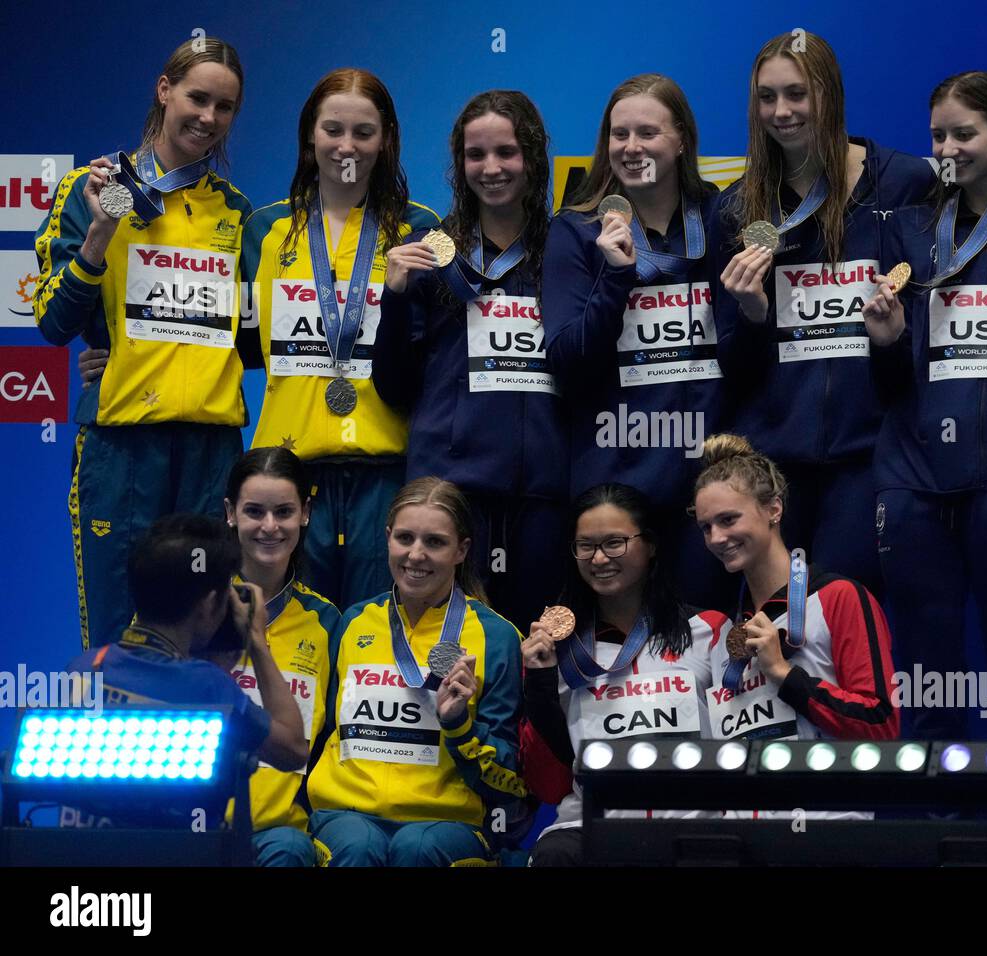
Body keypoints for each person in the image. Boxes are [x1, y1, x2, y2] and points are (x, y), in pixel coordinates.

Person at [35, 38, 251, 649]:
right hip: (122, 444)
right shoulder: (88, 186)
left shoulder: (235, 211)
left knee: (203, 636)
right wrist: (100, 235)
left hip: (211, 450)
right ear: (164, 90)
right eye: (197, 97)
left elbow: (253, 332)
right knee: (113, 632)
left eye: (225, 107)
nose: (208, 117)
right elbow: (51, 323)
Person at [866, 71, 987, 739]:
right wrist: (886, 341)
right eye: (937, 136)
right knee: (926, 668)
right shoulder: (906, 232)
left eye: (964, 134)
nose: (947, 149)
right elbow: (888, 373)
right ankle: (928, 826)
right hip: (913, 474)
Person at [710, 31, 934, 597]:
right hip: (774, 464)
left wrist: (891, 340)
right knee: (775, 632)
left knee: (845, 621)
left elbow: (926, 331)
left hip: (871, 455)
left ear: (829, 94)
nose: (781, 112)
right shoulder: (737, 208)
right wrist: (754, 314)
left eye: (796, 94)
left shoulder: (906, 181)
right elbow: (733, 372)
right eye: (766, 97)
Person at [238, 68, 439, 609]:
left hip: (388, 471)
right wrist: (110, 349)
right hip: (290, 476)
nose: (346, 146)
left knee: (376, 636)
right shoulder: (263, 229)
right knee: (293, 635)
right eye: (333, 129)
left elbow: (436, 356)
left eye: (364, 132)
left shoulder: (423, 229)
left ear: (388, 138)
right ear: (310, 134)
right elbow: (229, 341)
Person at [373, 90, 566, 632]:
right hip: (452, 492)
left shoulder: (565, 252)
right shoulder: (428, 253)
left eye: (506, 152)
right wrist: (393, 298)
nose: (492, 168)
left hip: (542, 493)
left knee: (535, 644)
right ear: (459, 164)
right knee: (448, 646)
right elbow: (393, 385)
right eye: (475, 155)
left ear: (533, 157)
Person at [541, 73, 728, 610]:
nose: (632, 147)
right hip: (616, 477)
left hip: (705, 479)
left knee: (705, 635)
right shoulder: (575, 231)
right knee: (614, 651)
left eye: (648, 132)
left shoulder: (721, 219)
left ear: (681, 140)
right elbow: (568, 359)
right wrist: (616, 277)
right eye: (619, 135)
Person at [306, 477, 527, 866]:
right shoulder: (354, 622)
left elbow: (509, 778)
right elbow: (327, 732)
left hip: (445, 823)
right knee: (358, 847)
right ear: (388, 537)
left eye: (435, 542)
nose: (416, 554)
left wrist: (459, 724)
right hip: (347, 813)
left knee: (417, 848)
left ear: (462, 550)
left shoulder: (497, 636)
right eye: (405, 538)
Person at [519, 483, 725, 866]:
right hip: (592, 822)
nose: (599, 559)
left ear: (651, 545)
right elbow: (549, 786)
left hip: (692, 820)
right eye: (586, 546)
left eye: (615, 543)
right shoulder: (560, 651)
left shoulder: (709, 631)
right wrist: (539, 687)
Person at [65, 514, 308, 826]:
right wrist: (257, 642)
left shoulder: (84, 669)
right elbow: (291, 750)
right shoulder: (209, 688)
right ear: (208, 605)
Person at [691, 434, 898, 744]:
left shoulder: (838, 597)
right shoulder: (723, 633)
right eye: (706, 527)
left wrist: (783, 673)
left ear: (774, 509)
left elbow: (880, 722)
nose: (717, 538)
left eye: (729, 519)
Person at [222, 447, 339, 866]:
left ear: (305, 513)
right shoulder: (190, 605)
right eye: (254, 511)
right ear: (230, 513)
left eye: (284, 512)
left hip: (281, 835)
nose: (269, 526)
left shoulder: (328, 623)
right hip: (192, 819)